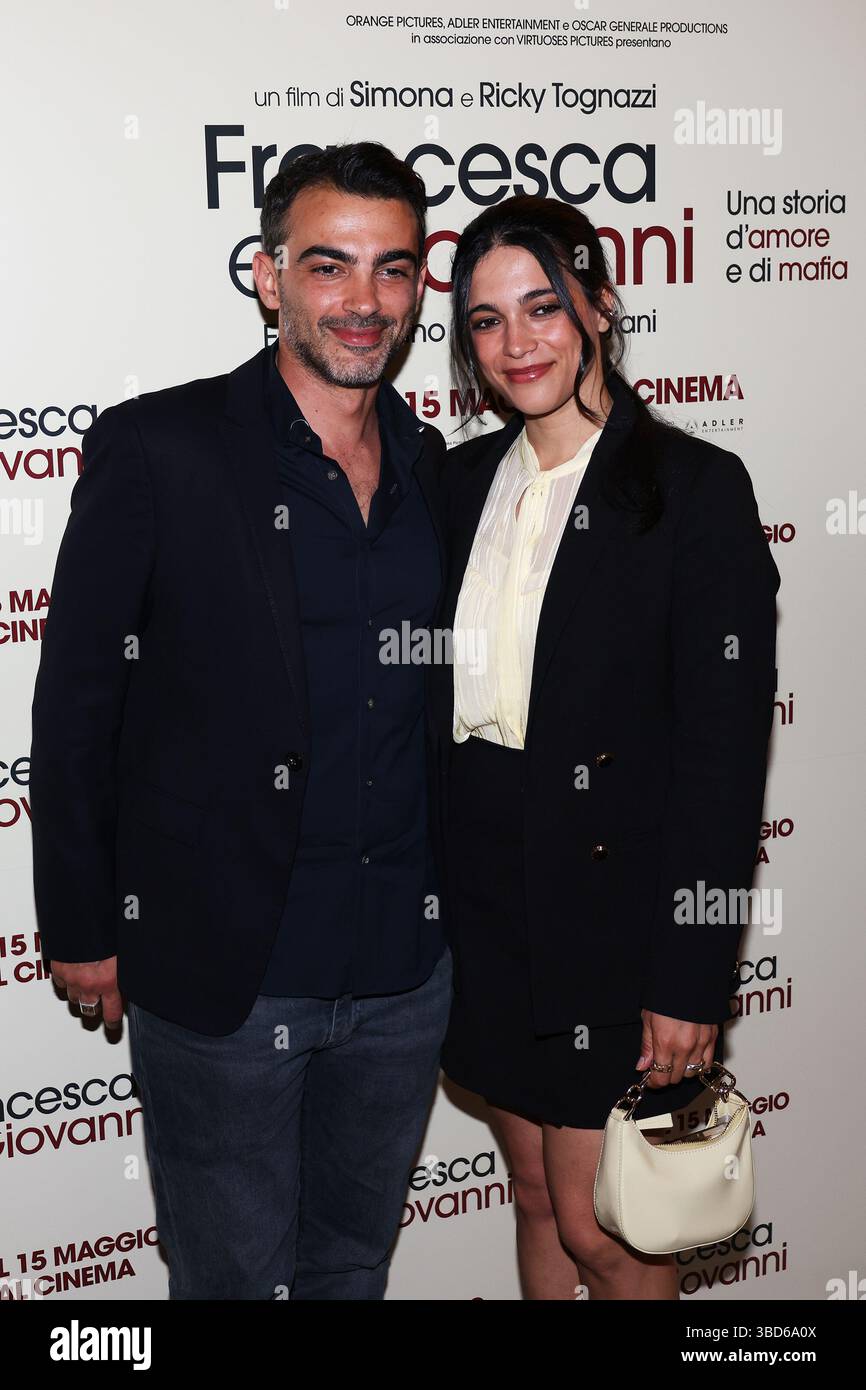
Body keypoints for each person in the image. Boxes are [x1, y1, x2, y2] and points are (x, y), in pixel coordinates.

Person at [29, 141, 453, 1300]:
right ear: (268, 276)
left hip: (401, 974)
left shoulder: (435, 471)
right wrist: (79, 920)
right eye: (328, 266)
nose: (362, 302)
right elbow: (75, 707)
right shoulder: (161, 449)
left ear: (419, 286)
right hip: (225, 968)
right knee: (227, 1282)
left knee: (349, 1269)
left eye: (392, 270)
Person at [429, 195, 780, 1300]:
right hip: (486, 911)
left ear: (599, 310)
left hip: (610, 924)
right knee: (535, 1192)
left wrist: (689, 977)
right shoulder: (456, 486)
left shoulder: (689, 492)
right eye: (485, 322)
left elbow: (724, 767)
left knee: (610, 1232)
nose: (515, 342)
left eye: (541, 307)